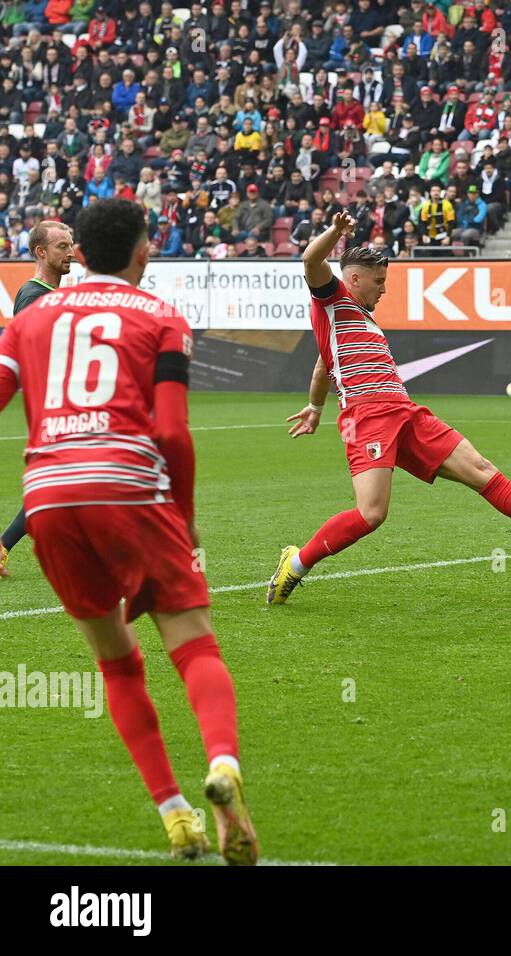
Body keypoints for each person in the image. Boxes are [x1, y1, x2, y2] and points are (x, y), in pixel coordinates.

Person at [0, 199, 257, 864]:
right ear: (143, 251)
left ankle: (175, 817)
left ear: (78, 252)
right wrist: (187, 515)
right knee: (195, 648)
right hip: (131, 490)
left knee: (116, 664)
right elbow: (171, 431)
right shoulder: (163, 318)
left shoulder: (28, 319)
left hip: (50, 501)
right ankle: (223, 767)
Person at [266, 213, 511, 605]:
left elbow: (324, 365)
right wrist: (336, 232)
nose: (384, 290)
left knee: (484, 473)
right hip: (367, 417)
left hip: (405, 412)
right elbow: (309, 261)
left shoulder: (361, 322)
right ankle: (296, 562)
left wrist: (313, 405)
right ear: (353, 279)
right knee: (372, 513)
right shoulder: (333, 298)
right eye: (379, 282)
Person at [0, 219, 75, 578]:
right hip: (56, 407)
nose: (71, 252)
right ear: (41, 252)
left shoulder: (52, 295)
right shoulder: (33, 296)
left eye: (71, 244)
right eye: (62, 246)